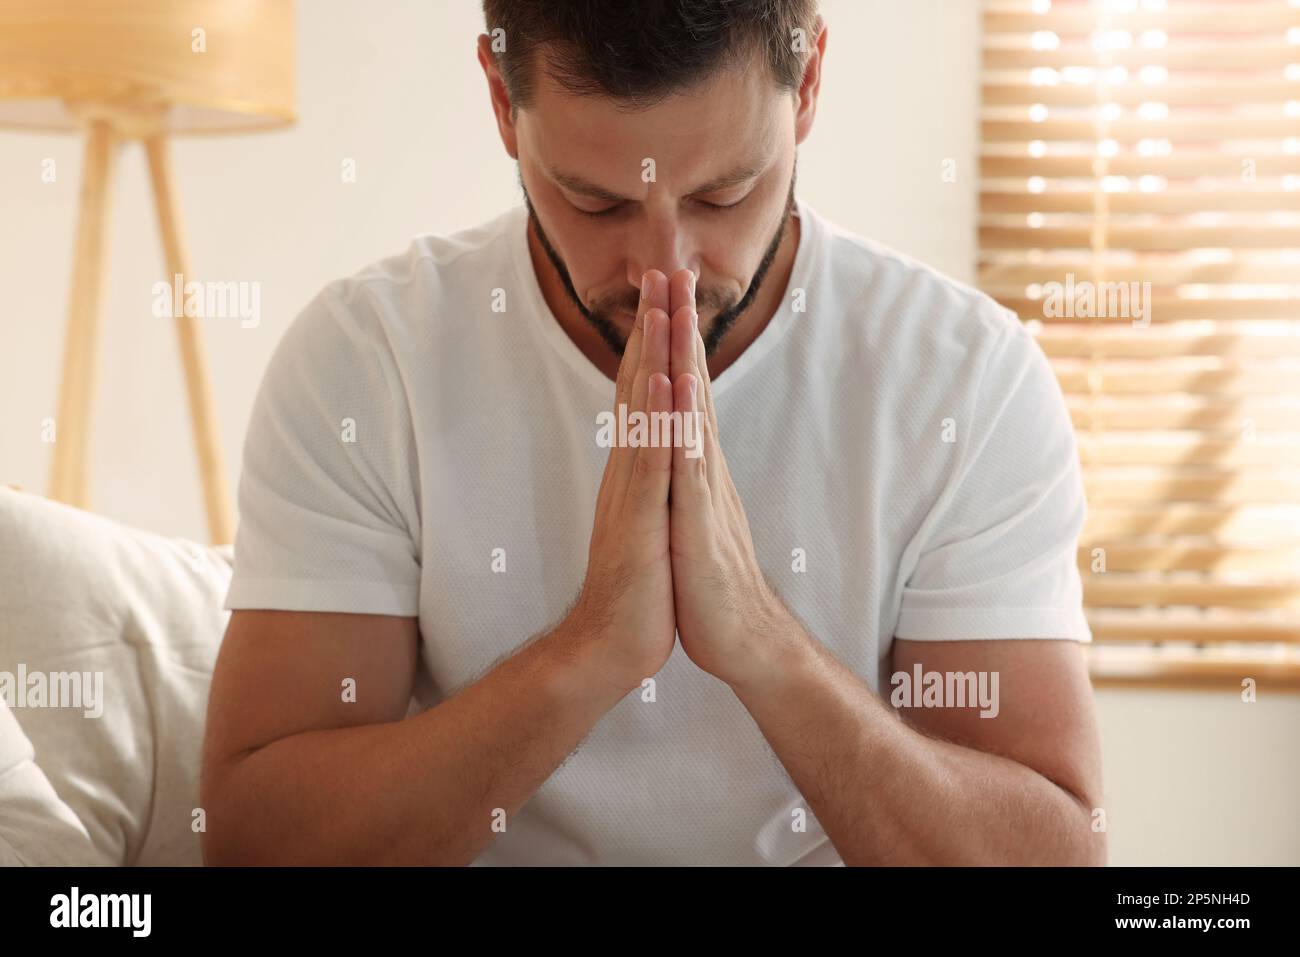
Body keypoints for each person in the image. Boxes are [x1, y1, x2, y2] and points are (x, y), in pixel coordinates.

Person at [199, 0, 1106, 866]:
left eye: (725, 193)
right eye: (596, 203)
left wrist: (758, 639)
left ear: (813, 82)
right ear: (500, 103)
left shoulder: (965, 379)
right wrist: (590, 649)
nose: (662, 269)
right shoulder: (371, 360)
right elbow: (250, 843)